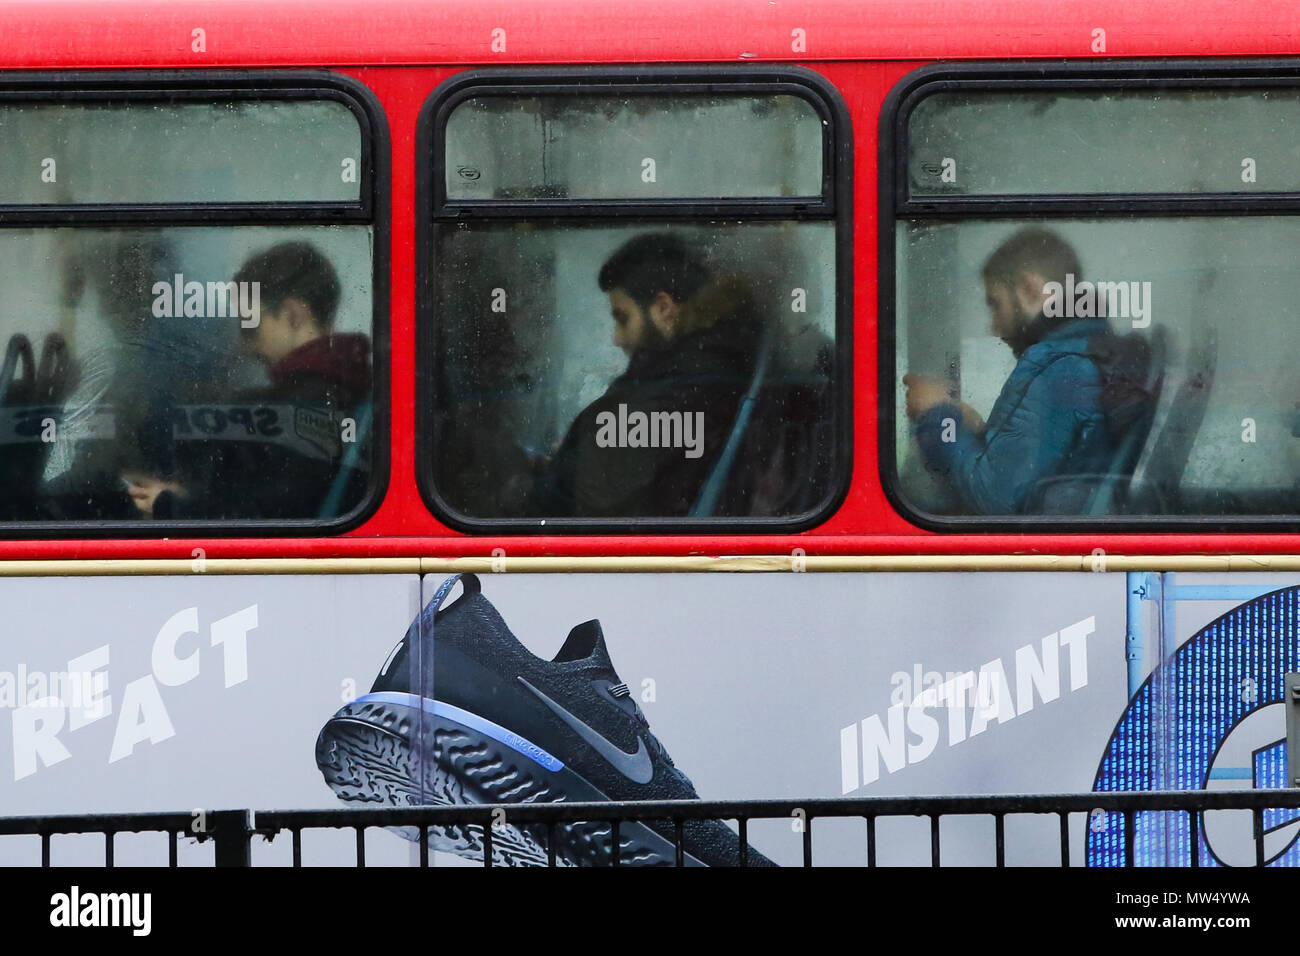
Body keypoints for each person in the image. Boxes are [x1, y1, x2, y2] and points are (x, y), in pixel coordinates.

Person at [904, 227, 1147, 515]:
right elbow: (1052, 463)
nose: (994, 327)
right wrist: (975, 428)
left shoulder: (1059, 366)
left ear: (1030, 288)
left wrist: (937, 414)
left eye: (996, 305)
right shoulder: (1091, 353)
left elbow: (994, 498)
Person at [529, 233, 767, 517]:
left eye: (623, 317)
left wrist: (564, 465)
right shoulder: (703, 368)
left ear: (664, 309)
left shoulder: (686, 384)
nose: (617, 338)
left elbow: (584, 496)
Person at [141, 241, 372, 519]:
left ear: (293, 315)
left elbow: (265, 516)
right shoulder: (352, 386)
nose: (246, 347)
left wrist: (165, 504)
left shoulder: (302, 404)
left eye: (249, 327)